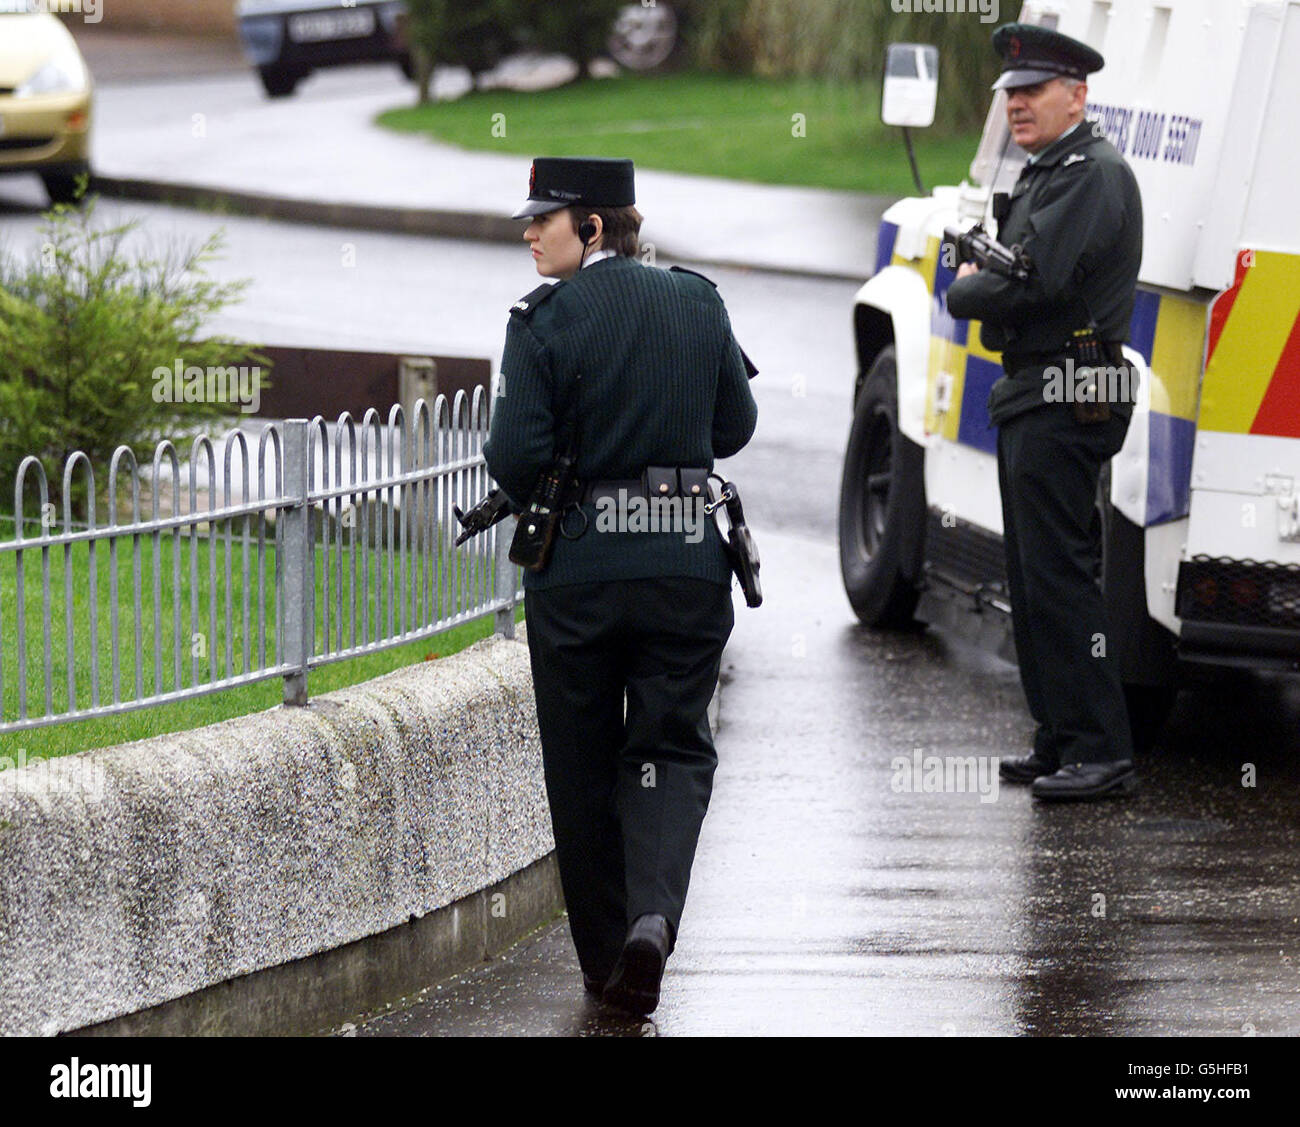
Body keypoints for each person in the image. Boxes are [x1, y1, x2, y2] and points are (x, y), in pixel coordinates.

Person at [483, 156, 758, 1013]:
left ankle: (611, 970)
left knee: (583, 762)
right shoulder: (697, 299)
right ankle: (653, 920)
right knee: (673, 749)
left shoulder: (542, 321)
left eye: (545, 219)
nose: (530, 232)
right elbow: (735, 425)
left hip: (581, 578)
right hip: (685, 563)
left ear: (594, 228)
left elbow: (518, 455)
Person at [946, 24, 1144, 802]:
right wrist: (985, 287)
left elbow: (1029, 283)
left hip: (1071, 390)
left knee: (1060, 575)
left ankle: (1101, 748)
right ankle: (1061, 735)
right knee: (1032, 575)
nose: (1017, 103)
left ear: (1077, 95)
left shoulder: (1089, 174)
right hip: (1040, 386)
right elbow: (1017, 290)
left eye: (1032, 91)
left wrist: (966, 286)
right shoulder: (1049, 172)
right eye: (1011, 93)